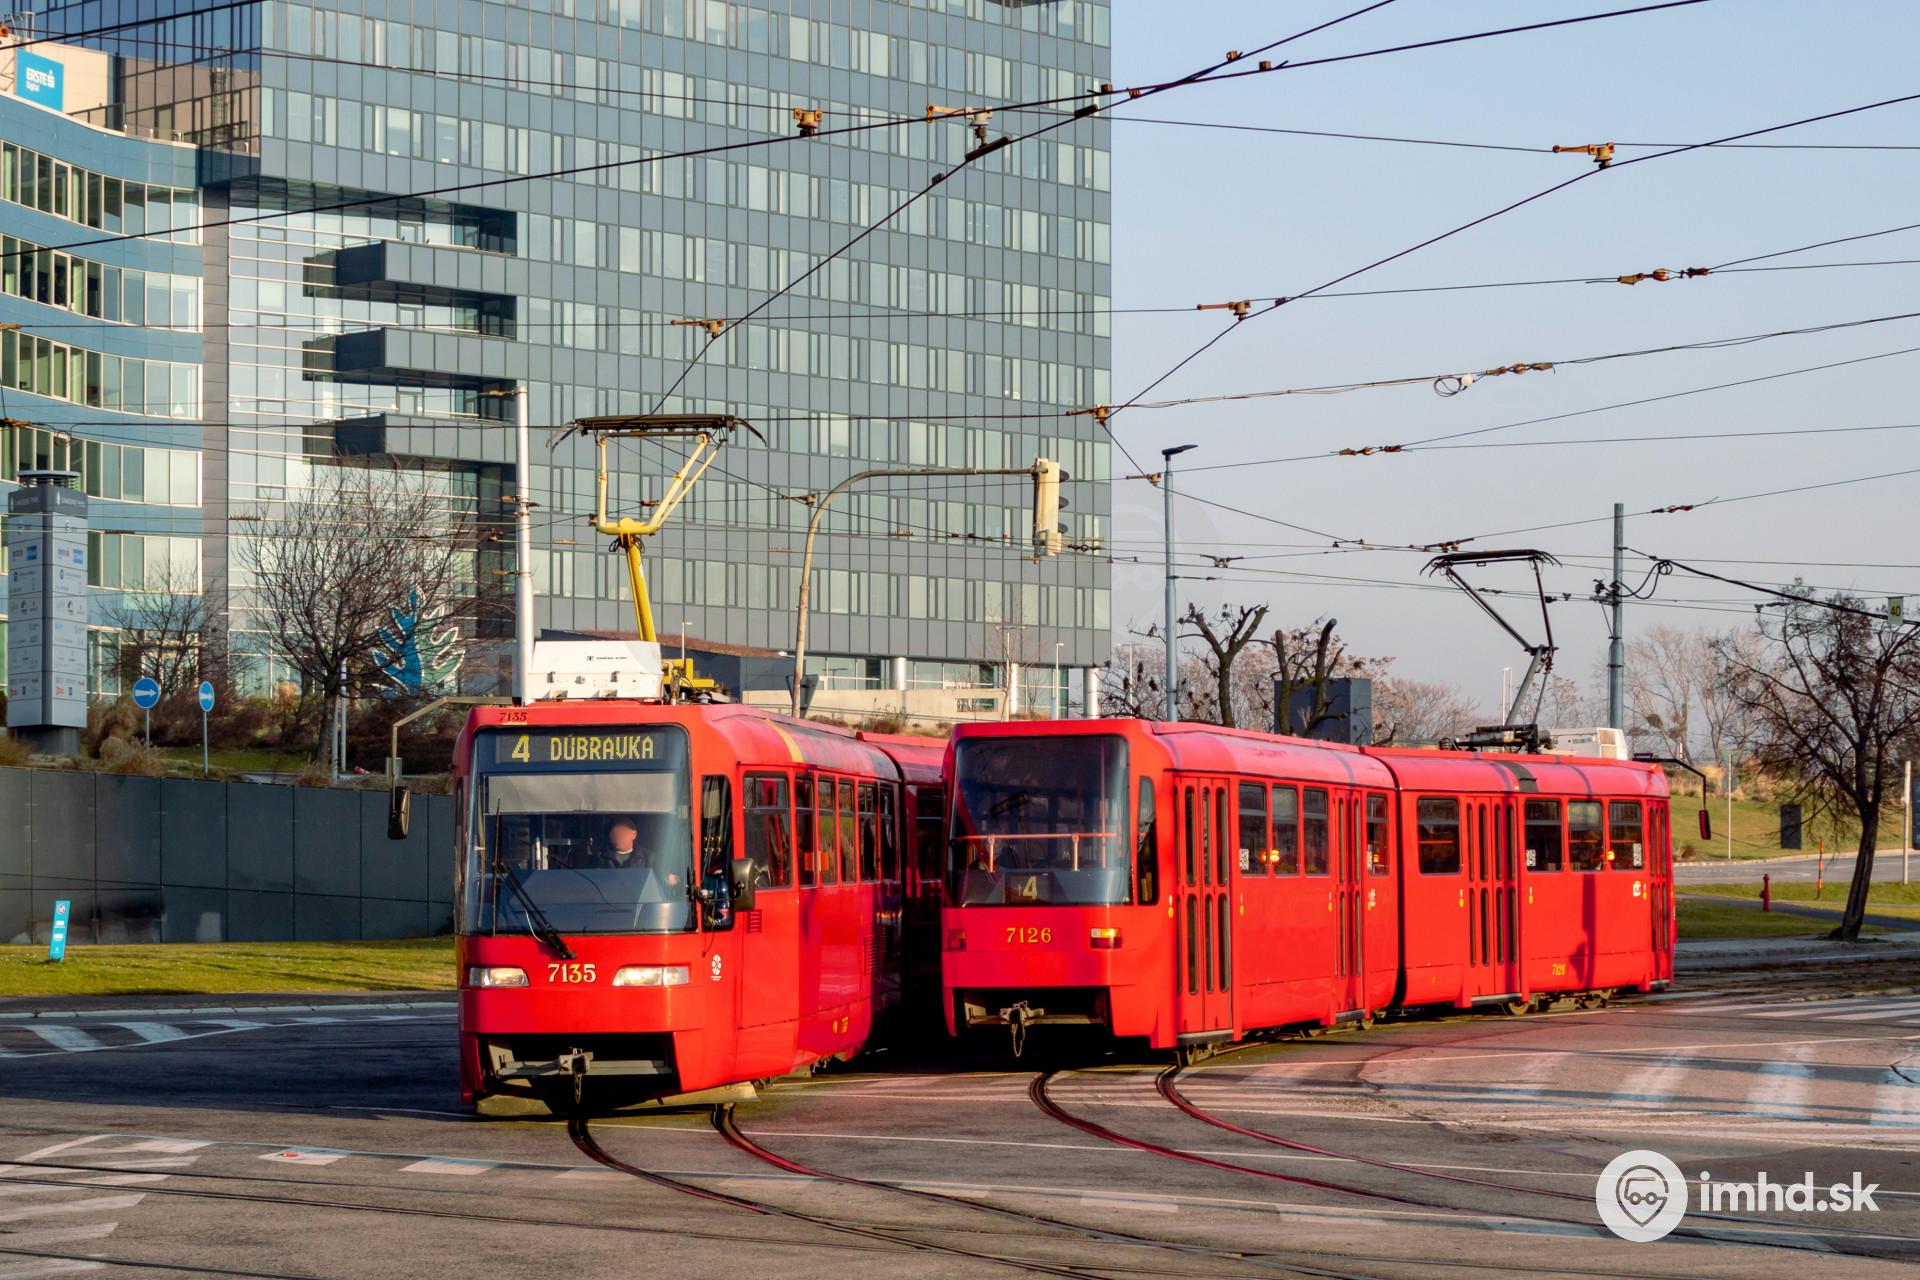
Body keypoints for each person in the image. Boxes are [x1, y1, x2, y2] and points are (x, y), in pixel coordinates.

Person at [596, 817, 681, 887]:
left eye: (623, 832)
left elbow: (665, 879)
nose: (619, 835)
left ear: (634, 834)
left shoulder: (649, 858)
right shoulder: (599, 858)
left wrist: (671, 880)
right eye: (615, 832)